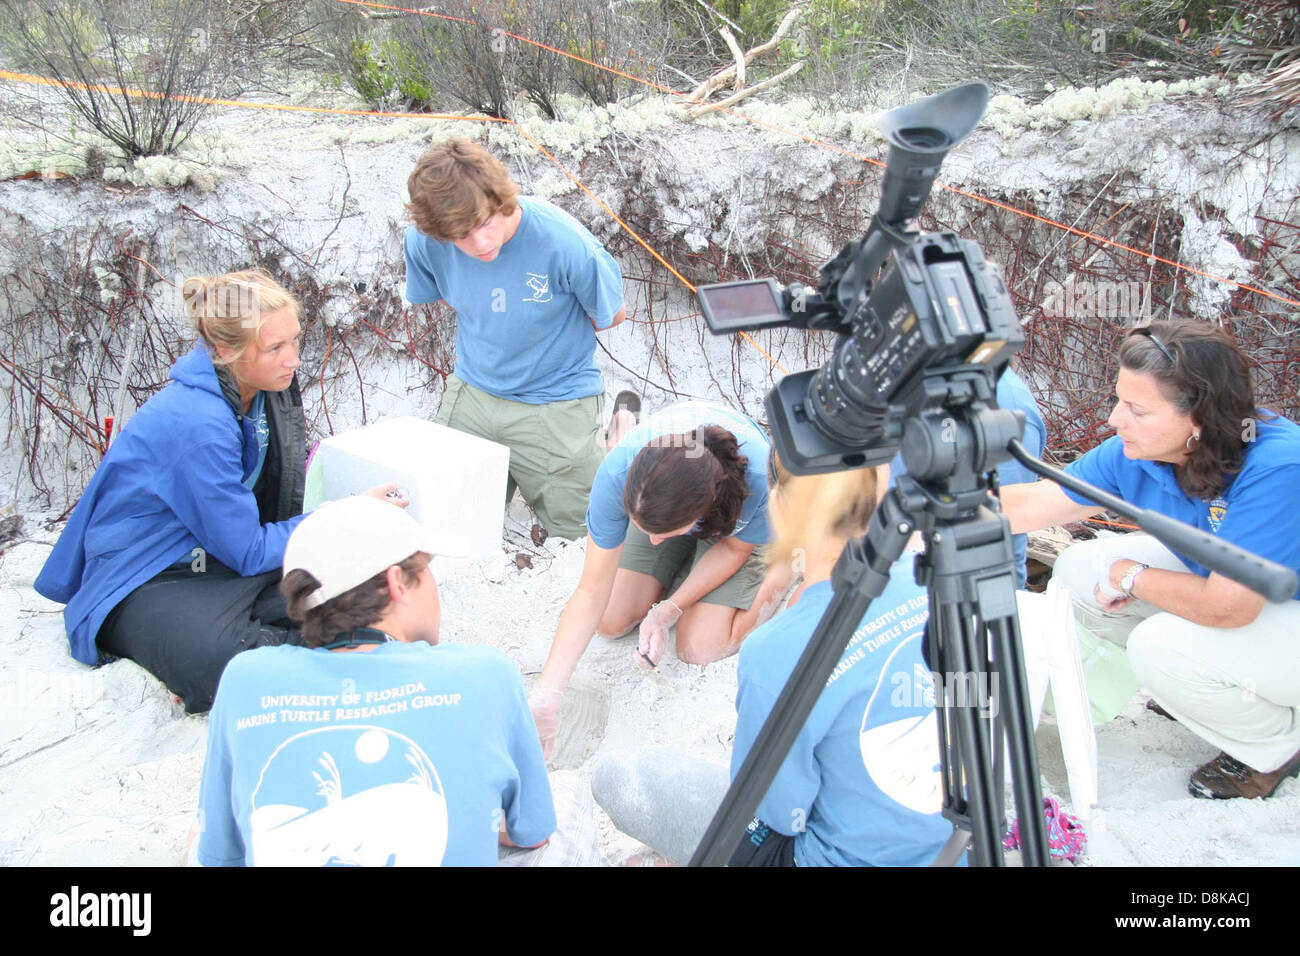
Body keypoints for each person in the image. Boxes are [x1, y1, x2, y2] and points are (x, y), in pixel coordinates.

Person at [34, 270, 400, 713]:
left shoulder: (265, 386)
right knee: (219, 662)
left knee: (360, 589)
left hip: (216, 560)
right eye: (275, 348)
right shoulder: (198, 423)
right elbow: (247, 550)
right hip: (148, 575)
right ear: (225, 350)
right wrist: (348, 515)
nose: (294, 360)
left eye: (295, 341)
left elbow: (255, 526)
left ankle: (283, 644)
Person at [591, 454, 955, 866]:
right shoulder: (943, 579)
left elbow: (777, 813)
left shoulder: (777, 650)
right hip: (956, 847)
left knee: (620, 776)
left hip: (822, 856)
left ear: (781, 506)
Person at [999, 319, 1300, 799]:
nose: (1116, 419)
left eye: (1137, 409)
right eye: (1119, 399)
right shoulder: (1139, 452)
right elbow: (1034, 504)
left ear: (1199, 419)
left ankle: (1277, 747)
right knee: (1080, 568)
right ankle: (1204, 694)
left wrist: (1131, 577)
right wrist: (900, 509)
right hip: (1258, 602)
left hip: (1273, 609)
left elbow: (1228, 607)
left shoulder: (1278, 468)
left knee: (1161, 647)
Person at [194, 496, 555, 866]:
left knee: (200, 834)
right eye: (427, 569)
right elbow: (532, 831)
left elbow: (219, 856)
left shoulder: (246, 680)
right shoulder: (485, 673)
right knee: (567, 801)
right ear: (397, 583)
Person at [530, 401, 784, 757]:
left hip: (734, 517)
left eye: (662, 533)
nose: (650, 541)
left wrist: (670, 609)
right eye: (642, 528)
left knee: (700, 647)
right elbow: (591, 591)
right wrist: (548, 692)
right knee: (611, 619)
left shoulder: (758, 475)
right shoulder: (619, 475)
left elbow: (731, 550)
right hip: (664, 496)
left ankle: (786, 563)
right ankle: (624, 425)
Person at [404, 138, 627, 540]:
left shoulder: (563, 242)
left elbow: (613, 314)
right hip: (473, 392)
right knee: (445, 518)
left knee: (581, 532)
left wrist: (546, 340)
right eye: (461, 237)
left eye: (486, 224)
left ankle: (618, 435)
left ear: (503, 199)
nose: (481, 245)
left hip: (555, 399)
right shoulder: (425, 241)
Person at [890, 365, 1047, 588]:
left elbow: (998, 532)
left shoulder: (1001, 407)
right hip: (888, 557)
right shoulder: (900, 377)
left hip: (954, 585)